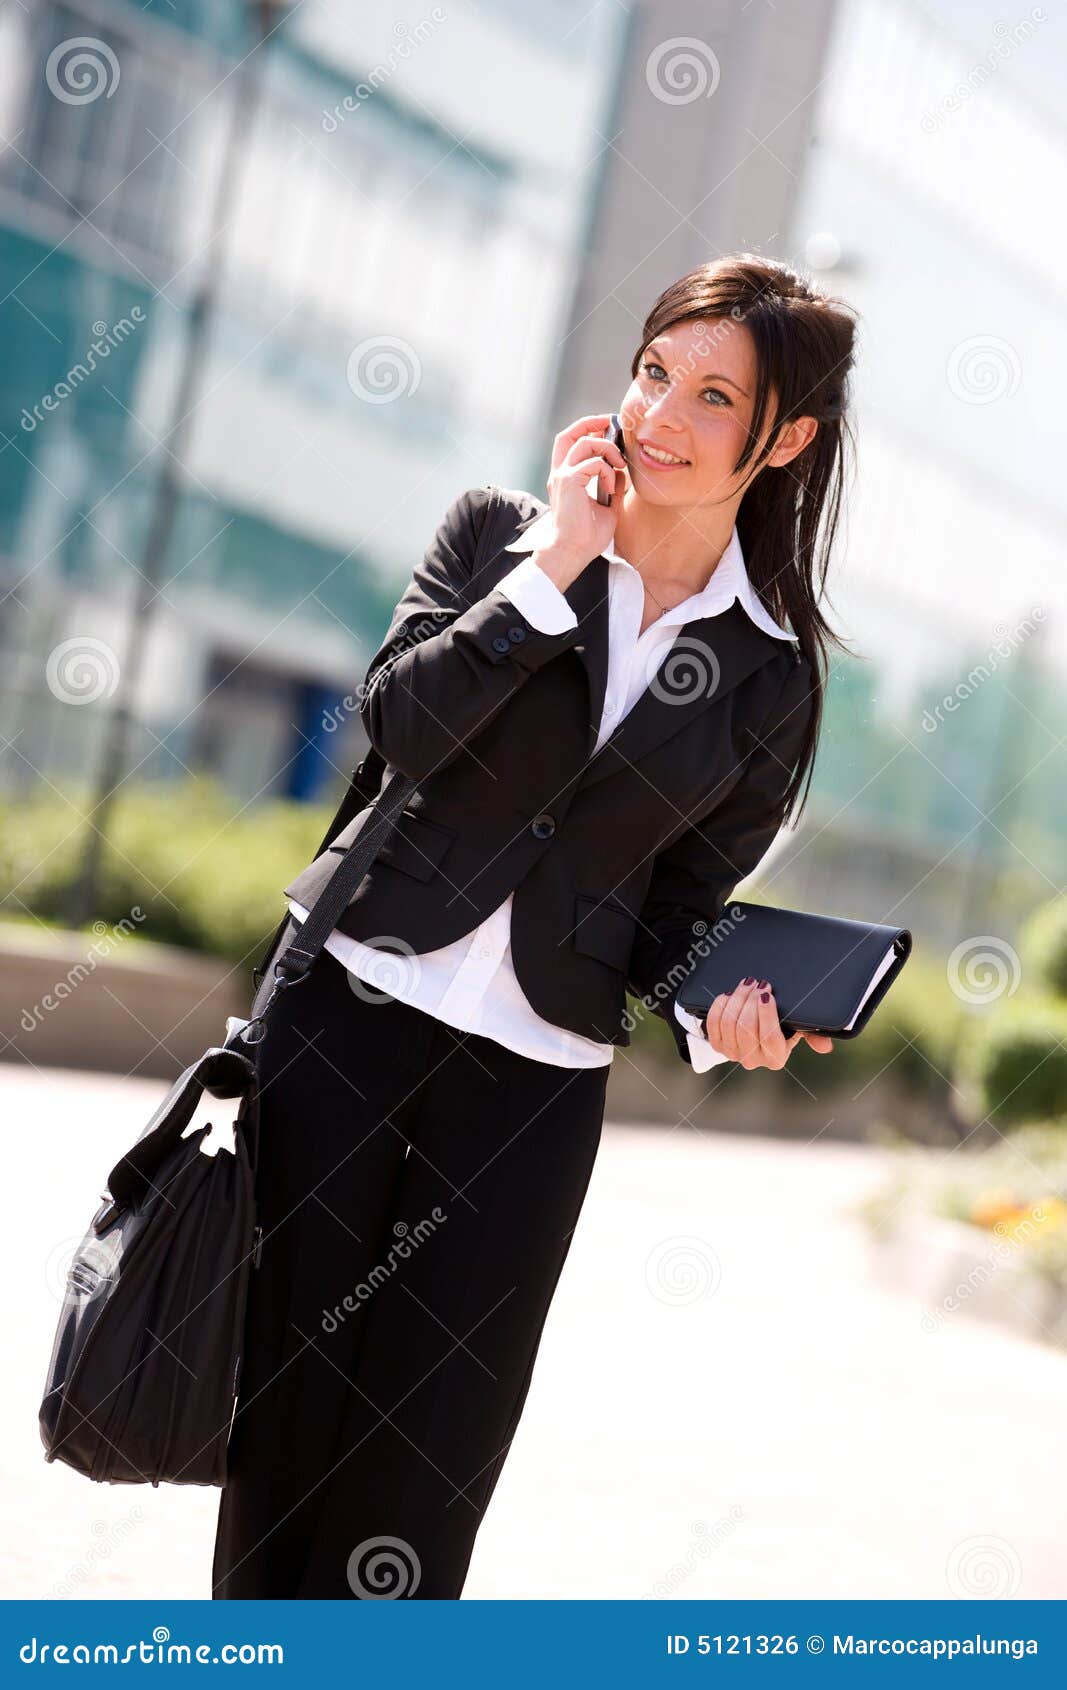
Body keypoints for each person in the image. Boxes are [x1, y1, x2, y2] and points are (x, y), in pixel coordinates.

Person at [212, 253, 856, 1600]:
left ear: (787, 439)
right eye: (654, 372)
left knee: (426, 1479)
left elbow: (673, 916)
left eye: (715, 397)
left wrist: (723, 1014)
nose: (660, 414)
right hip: (343, 1025)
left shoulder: (771, 676)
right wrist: (558, 563)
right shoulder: (496, 541)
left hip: (530, 1093)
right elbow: (399, 729)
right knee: (282, 1436)